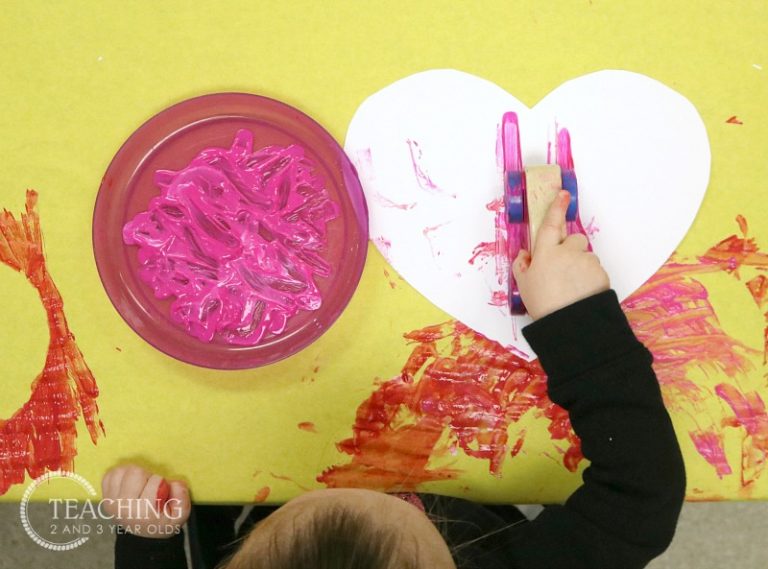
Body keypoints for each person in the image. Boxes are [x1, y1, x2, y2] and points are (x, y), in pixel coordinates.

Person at [103, 191, 686, 569]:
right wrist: (577, 320)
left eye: (310, 500)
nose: (389, 483)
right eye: (409, 508)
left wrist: (149, 539)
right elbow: (643, 497)